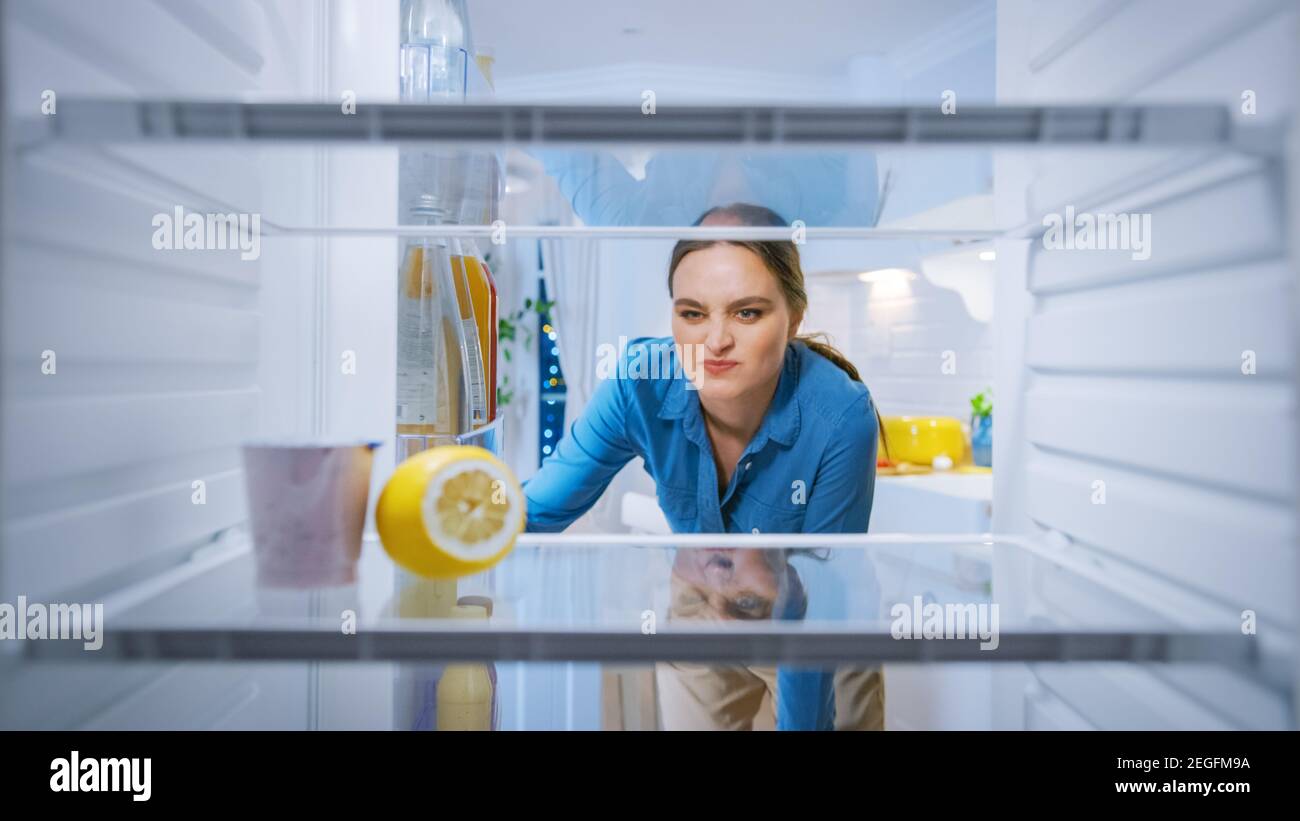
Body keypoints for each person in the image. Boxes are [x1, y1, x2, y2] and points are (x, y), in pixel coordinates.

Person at [522, 202, 885, 730]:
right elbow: (537, 511)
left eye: (747, 313)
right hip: (699, 600)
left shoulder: (841, 416)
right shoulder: (639, 384)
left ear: (794, 318)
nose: (715, 342)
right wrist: (449, 520)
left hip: (817, 618)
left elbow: (816, 607)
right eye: (692, 314)